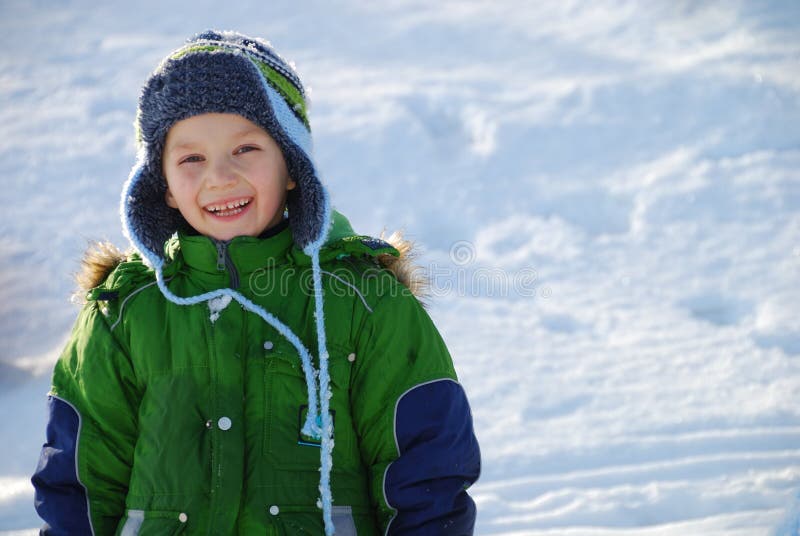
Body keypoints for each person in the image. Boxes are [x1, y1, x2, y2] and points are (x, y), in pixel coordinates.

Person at [31, 30, 480, 535]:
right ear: (163, 187)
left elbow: (428, 472)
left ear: (292, 166)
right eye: (191, 159)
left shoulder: (363, 303)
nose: (219, 177)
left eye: (245, 148)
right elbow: (78, 483)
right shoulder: (125, 313)